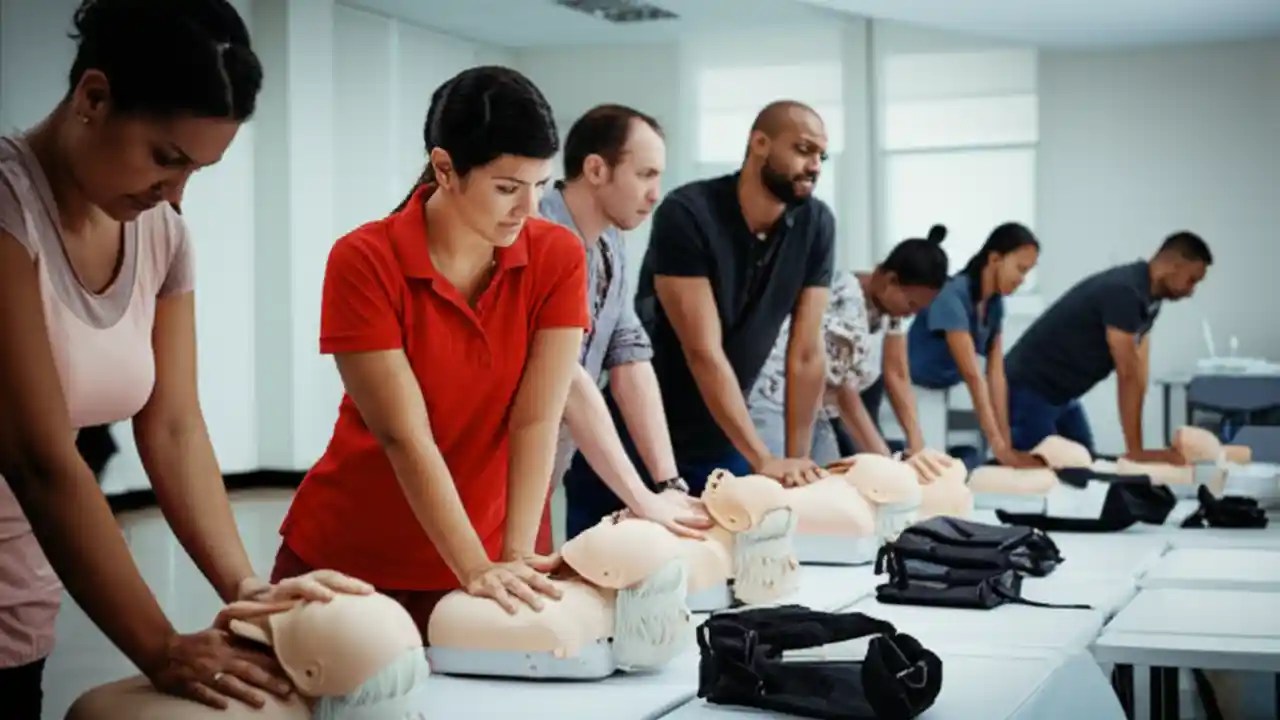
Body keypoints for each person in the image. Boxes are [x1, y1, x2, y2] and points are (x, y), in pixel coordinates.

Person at [0, 2, 369, 716]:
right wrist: (161, 647)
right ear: (94, 97)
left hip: (23, 593)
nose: (175, 193)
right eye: (166, 159)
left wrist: (245, 588)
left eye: (198, 169)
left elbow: (172, 425)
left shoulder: (162, 234)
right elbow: (38, 459)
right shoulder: (8, 210)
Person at [271, 66, 589, 632]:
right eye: (507, 188)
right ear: (445, 169)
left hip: (489, 561)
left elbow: (537, 417)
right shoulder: (364, 260)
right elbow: (404, 434)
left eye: (540, 187)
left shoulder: (557, 256)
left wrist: (511, 555)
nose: (530, 210)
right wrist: (474, 567)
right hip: (352, 564)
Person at [634, 100, 835, 492]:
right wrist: (762, 459)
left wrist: (796, 462)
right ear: (759, 142)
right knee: (622, 551)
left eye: (821, 156)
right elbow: (702, 351)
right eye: (803, 149)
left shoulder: (817, 223)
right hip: (647, 432)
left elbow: (807, 353)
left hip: (723, 436)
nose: (815, 166)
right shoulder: (687, 212)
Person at [536, 105, 709, 541]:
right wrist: (641, 498)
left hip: (546, 464)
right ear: (596, 169)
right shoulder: (536, 236)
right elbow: (565, 376)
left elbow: (629, 356)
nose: (656, 193)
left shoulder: (611, 243)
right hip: (488, 463)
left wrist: (668, 485)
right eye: (645, 174)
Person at [750, 226, 951, 464]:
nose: (911, 314)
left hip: (816, 411)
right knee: (788, 485)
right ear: (890, 280)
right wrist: (887, 462)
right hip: (775, 403)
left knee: (829, 486)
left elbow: (897, 372)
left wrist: (917, 445)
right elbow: (844, 396)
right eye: (911, 305)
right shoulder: (846, 301)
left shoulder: (891, 310)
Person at [1005, 232, 1212, 460]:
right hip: (1028, 389)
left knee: (1084, 466)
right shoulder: (1125, 291)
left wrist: (1136, 451)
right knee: (1043, 473)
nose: (1191, 291)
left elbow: (1139, 372)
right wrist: (1136, 452)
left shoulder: (1150, 300)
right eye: (1191, 280)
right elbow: (1127, 374)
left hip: (1061, 395)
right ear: (1174, 265)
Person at [907, 223, 1042, 468]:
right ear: (994, 258)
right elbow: (973, 375)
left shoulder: (994, 303)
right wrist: (1000, 449)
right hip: (916, 386)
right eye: (1020, 269)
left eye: (1028, 273)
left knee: (973, 456)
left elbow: (996, 374)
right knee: (932, 470)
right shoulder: (952, 295)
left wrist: (1005, 444)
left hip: (947, 382)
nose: (1022, 280)